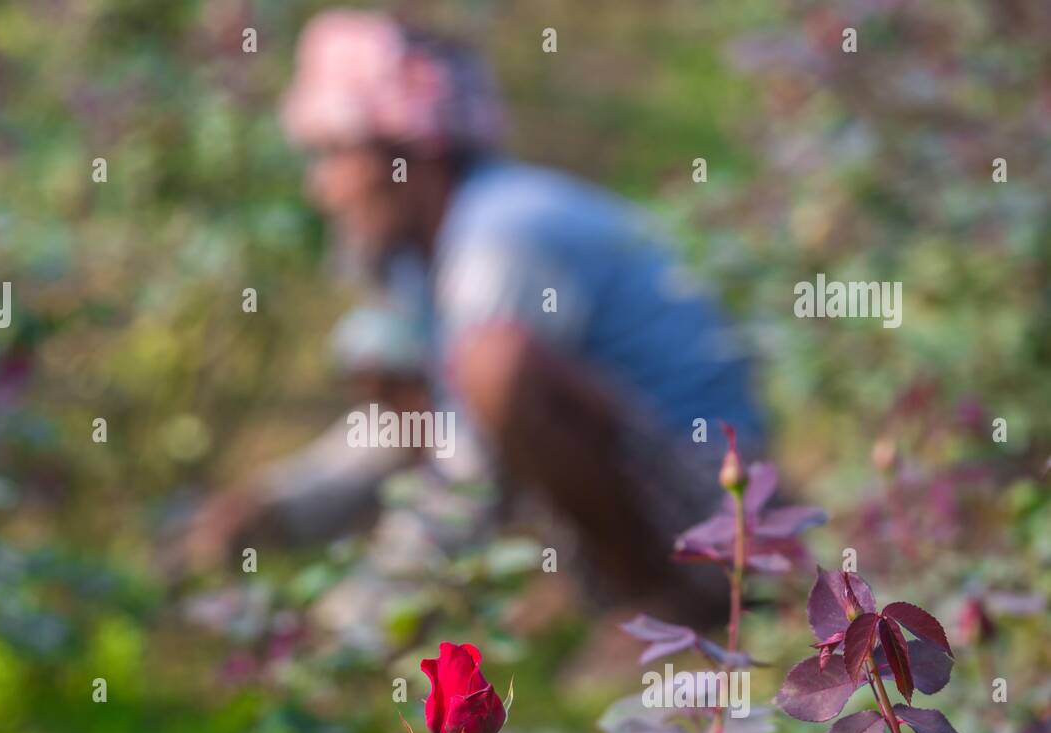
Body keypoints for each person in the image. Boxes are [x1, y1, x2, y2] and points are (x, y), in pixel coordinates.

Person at [170, 9, 767, 628]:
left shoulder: (501, 238)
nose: (322, 188)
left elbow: (468, 469)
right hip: (655, 482)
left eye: (334, 155)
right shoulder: (431, 252)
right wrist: (273, 509)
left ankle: (665, 606)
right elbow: (411, 425)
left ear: (412, 155)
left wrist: (352, 625)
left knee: (493, 368)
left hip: (718, 501)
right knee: (403, 366)